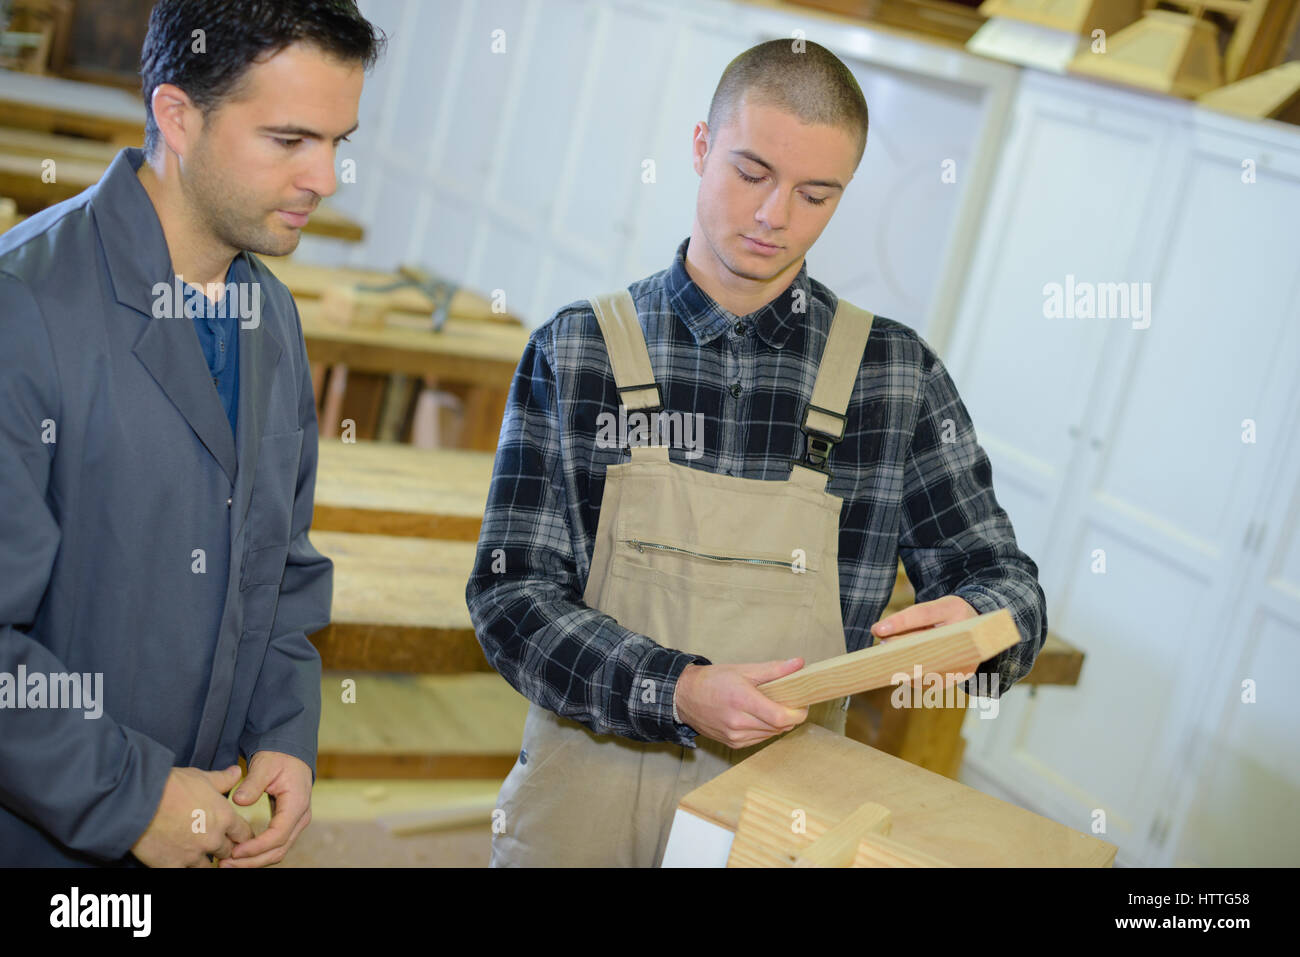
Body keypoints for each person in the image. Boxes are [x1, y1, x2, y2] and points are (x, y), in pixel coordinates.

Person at [466, 38, 1048, 867]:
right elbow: (509, 598)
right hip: (583, 802)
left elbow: (1009, 588)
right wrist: (679, 689)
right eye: (751, 174)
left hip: (783, 823)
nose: (777, 215)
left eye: (816, 194)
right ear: (701, 146)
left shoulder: (896, 378)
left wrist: (988, 626)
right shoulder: (581, 350)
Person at [0, 0, 384, 866]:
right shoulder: (23, 310)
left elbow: (282, 568)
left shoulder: (271, 318)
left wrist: (283, 729)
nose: (324, 177)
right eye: (290, 141)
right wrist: (131, 798)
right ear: (177, 116)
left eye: (339, 142)